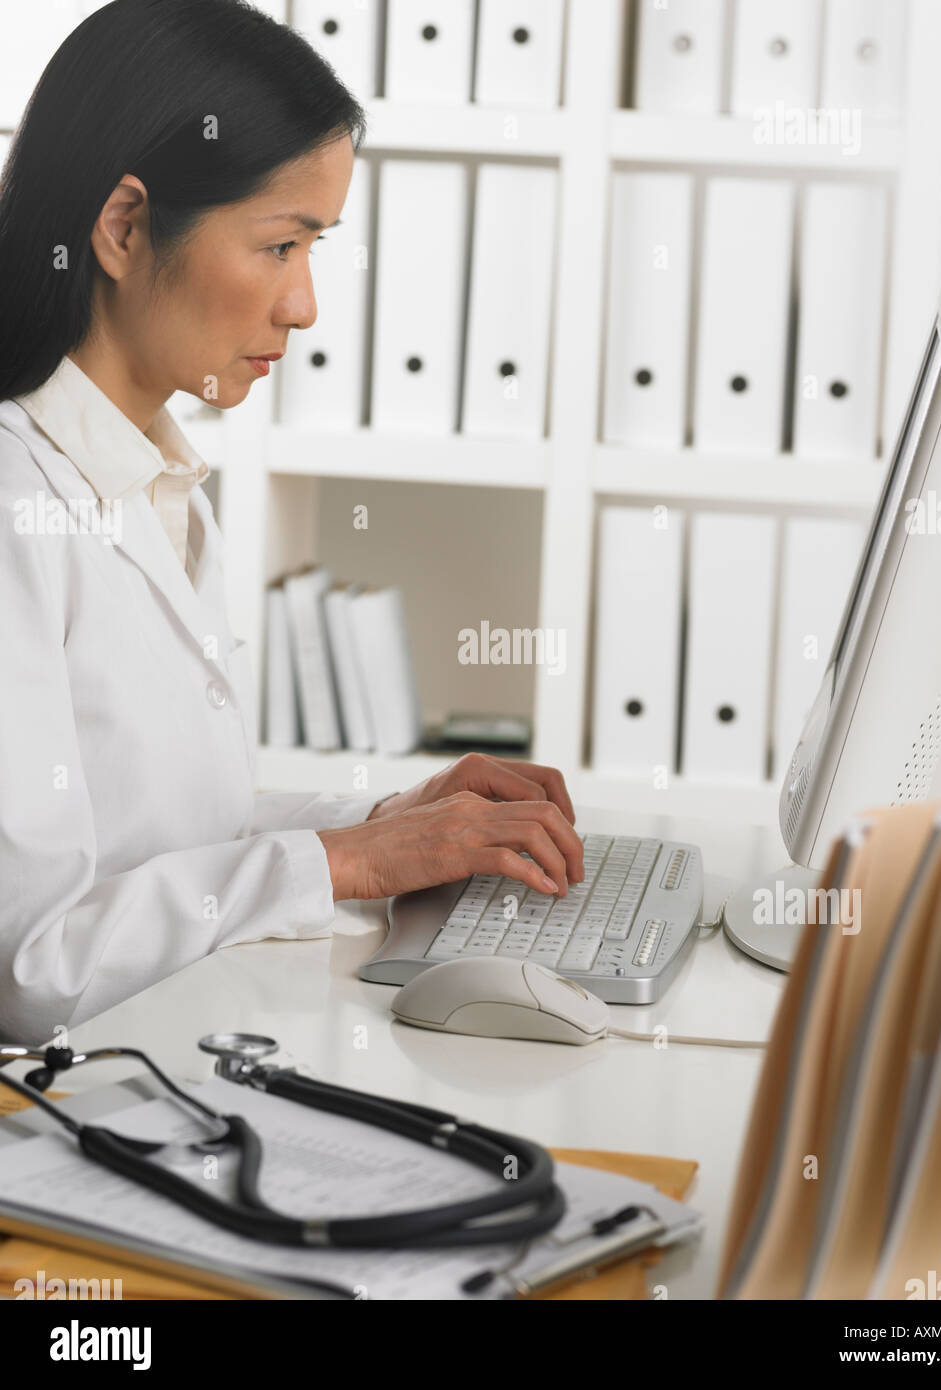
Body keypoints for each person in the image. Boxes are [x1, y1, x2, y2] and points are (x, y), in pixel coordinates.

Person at [0, 0, 583, 1044]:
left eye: (316, 248)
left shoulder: (155, 479)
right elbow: (29, 964)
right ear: (125, 228)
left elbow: (174, 841)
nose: (304, 305)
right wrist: (352, 864)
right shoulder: (13, 505)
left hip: (171, 1068)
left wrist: (390, 820)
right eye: (279, 245)